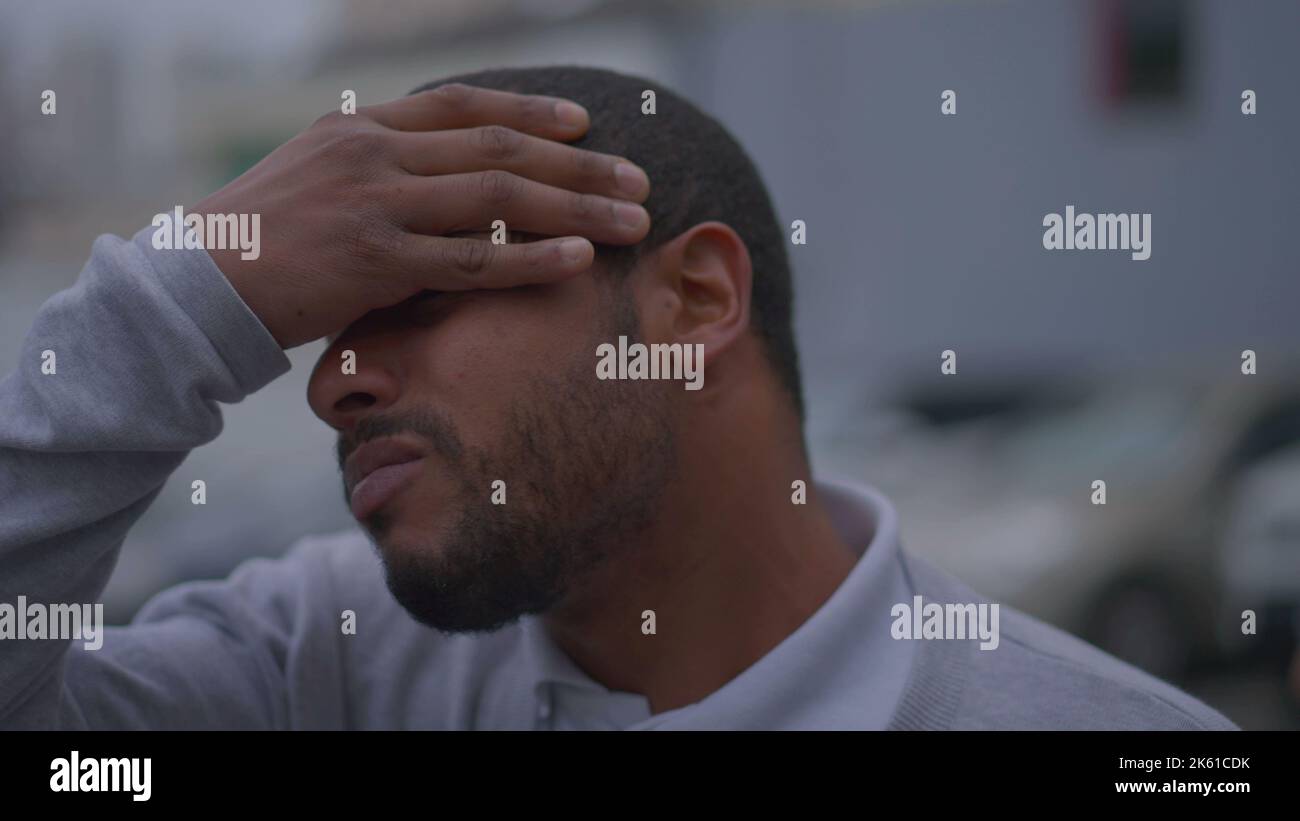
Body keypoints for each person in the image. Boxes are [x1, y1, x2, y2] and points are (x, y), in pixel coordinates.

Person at [0, 66, 1235, 729]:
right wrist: (186, 296)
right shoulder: (313, 666)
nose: (333, 382)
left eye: (426, 293)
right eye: (319, 330)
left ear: (692, 302)